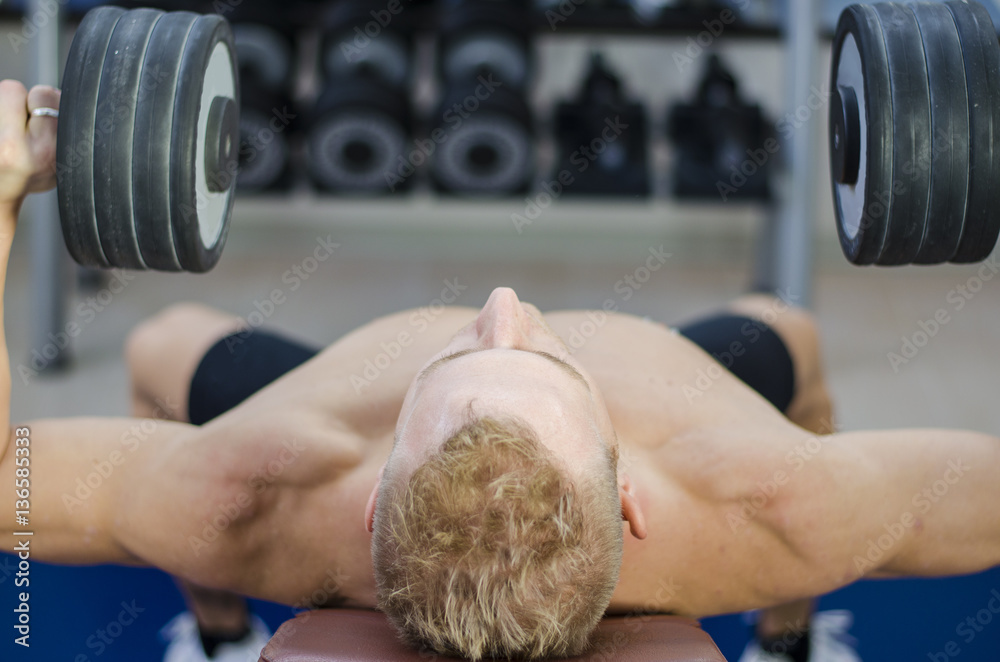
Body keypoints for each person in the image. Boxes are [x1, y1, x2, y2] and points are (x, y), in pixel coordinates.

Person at [3, 79, 1000, 662]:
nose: (506, 306)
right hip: (722, 446)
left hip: (292, 456)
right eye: (540, 356)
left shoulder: (252, 496)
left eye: (476, 348)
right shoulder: (785, 508)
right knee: (788, 331)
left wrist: (3, 197)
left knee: (159, 341)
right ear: (630, 495)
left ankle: (215, 635)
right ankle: (789, 642)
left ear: (372, 490)